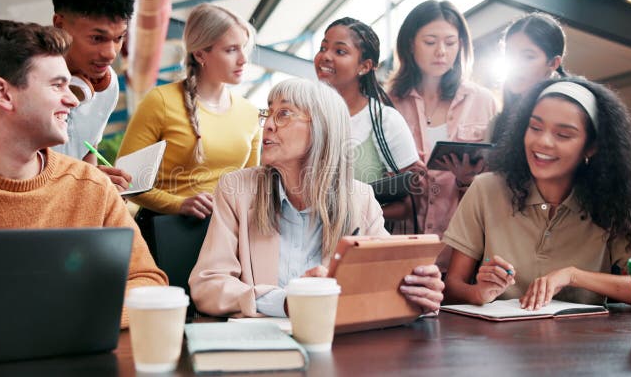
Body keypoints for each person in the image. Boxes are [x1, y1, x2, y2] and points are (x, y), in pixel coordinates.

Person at [0, 20, 167, 328]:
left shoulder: (93, 188)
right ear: (3, 93)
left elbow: (147, 281)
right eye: (57, 85)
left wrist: (64, 316)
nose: (73, 99)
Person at [188, 78, 444, 317]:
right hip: (261, 342)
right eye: (268, 113)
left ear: (322, 128)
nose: (268, 125)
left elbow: (388, 280)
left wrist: (418, 291)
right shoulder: (236, 190)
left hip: (337, 343)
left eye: (284, 114)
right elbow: (208, 285)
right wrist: (287, 302)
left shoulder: (360, 199)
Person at [443, 76, 631, 310]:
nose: (543, 142)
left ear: (591, 147)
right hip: (497, 333)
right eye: (535, 127)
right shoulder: (486, 190)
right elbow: (452, 288)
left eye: (563, 135)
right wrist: (478, 293)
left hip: (582, 333)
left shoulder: (610, 203)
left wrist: (573, 276)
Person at [0, 0, 133, 191]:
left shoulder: (107, 89)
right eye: (97, 38)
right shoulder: (6, 75)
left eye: (119, 38)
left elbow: (88, 148)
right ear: (59, 24)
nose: (110, 53)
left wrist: (93, 181)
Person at [118, 3, 260, 219]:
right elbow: (127, 180)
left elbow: (250, 187)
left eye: (244, 47)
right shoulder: (161, 101)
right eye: (231, 50)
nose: (244, 59)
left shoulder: (250, 114)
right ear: (201, 54)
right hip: (166, 231)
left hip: (227, 232)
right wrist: (178, 204)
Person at [386, 0, 496, 264]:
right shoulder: (388, 103)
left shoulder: (483, 101)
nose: (441, 52)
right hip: (400, 248)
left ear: (461, 45)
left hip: (460, 253)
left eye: (450, 42)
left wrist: (468, 180)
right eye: (430, 42)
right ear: (410, 44)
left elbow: (496, 183)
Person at [314, 17, 420, 222]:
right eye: (323, 48)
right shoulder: (305, 116)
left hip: (360, 239)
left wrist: (346, 215)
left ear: (364, 66)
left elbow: (408, 205)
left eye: (340, 51)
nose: (325, 56)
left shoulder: (385, 121)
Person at [490, 12, 567, 144]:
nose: (515, 64)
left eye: (528, 57)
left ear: (553, 63)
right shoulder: (500, 118)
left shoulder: (566, 111)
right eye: (509, 54)